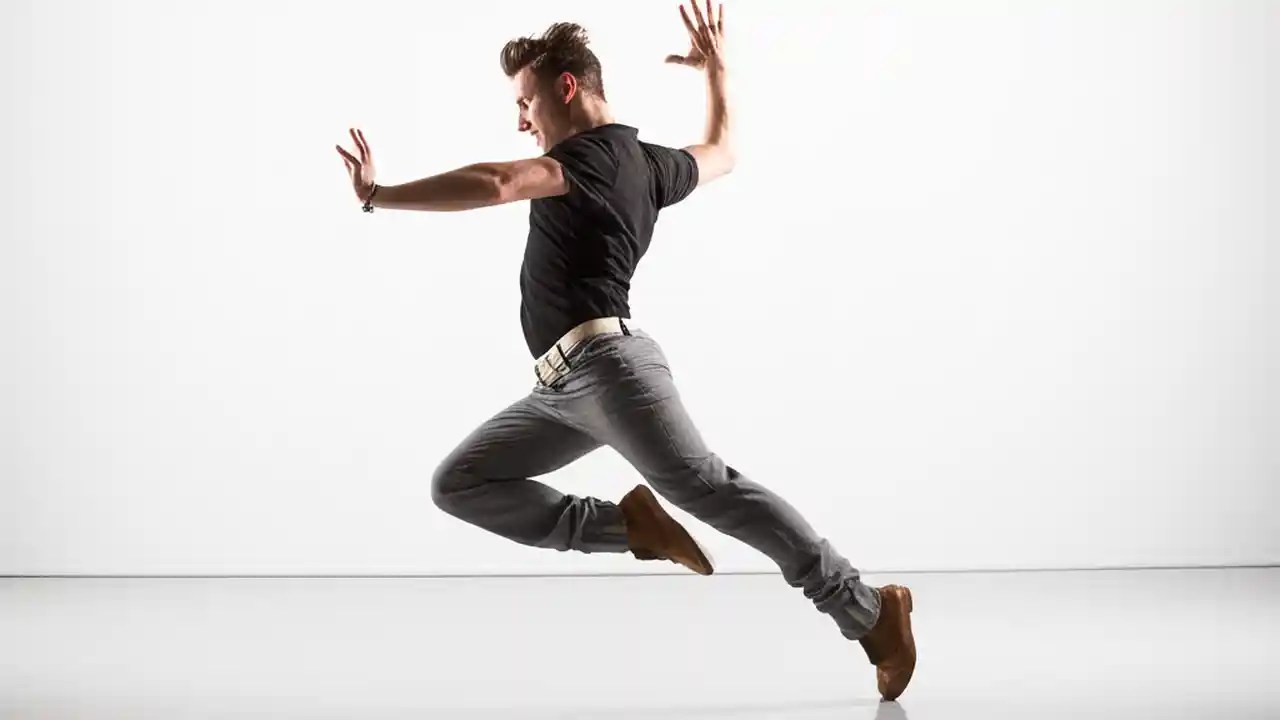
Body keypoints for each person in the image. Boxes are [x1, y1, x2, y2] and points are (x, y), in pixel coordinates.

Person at [335, 1, 917, 701]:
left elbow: (498, 182)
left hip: (608, 374)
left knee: (716, 492)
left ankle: (870, 610)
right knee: (458, 484)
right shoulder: (647, 162)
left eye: (526, 102)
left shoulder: (592, 159)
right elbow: (724, 151)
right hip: (560, 393)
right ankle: (632, 527)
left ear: (566, 89)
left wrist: (380, 195)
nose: (522, 121)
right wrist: (719, 74)